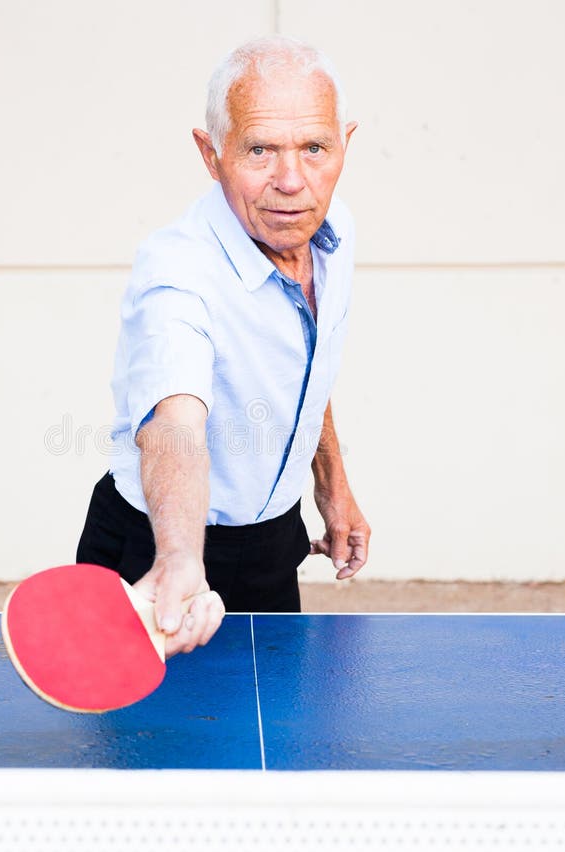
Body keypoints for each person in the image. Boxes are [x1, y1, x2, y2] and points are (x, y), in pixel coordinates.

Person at [77, 36, 371, 656]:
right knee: (133, 748)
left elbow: (306, 365)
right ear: (211, 154)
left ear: (345, 143)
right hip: (152, 548)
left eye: (314, 149)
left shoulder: (333, 232)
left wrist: (332, 483)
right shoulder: (176, 273)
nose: (291, 181)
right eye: (260, 149)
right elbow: (174, 421)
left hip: (271, 544)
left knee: (272, 743)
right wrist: (179, 556)